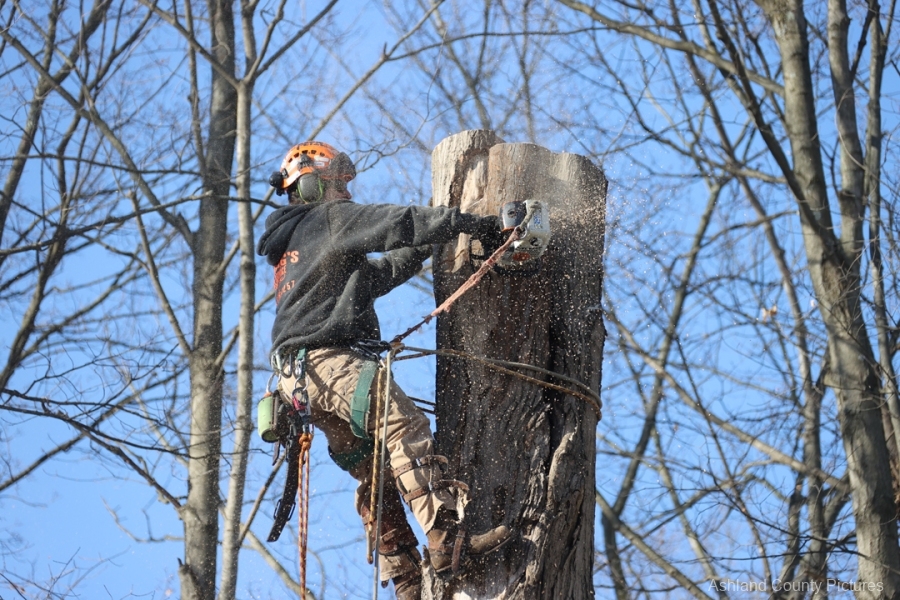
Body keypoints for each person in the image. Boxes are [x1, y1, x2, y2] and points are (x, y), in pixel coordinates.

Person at [257, 141, 512, 599]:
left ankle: (407, 579)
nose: (347, 194)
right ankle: (447, 539)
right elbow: (397, 223)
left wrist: (431, 242)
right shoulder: (326, 219)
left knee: (373, 468)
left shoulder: (294, 246)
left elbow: (375, 277)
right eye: (338, 184)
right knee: (403, 427)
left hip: (301, 386)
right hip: (331, 363)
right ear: (311, 187)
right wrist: (476, 224)